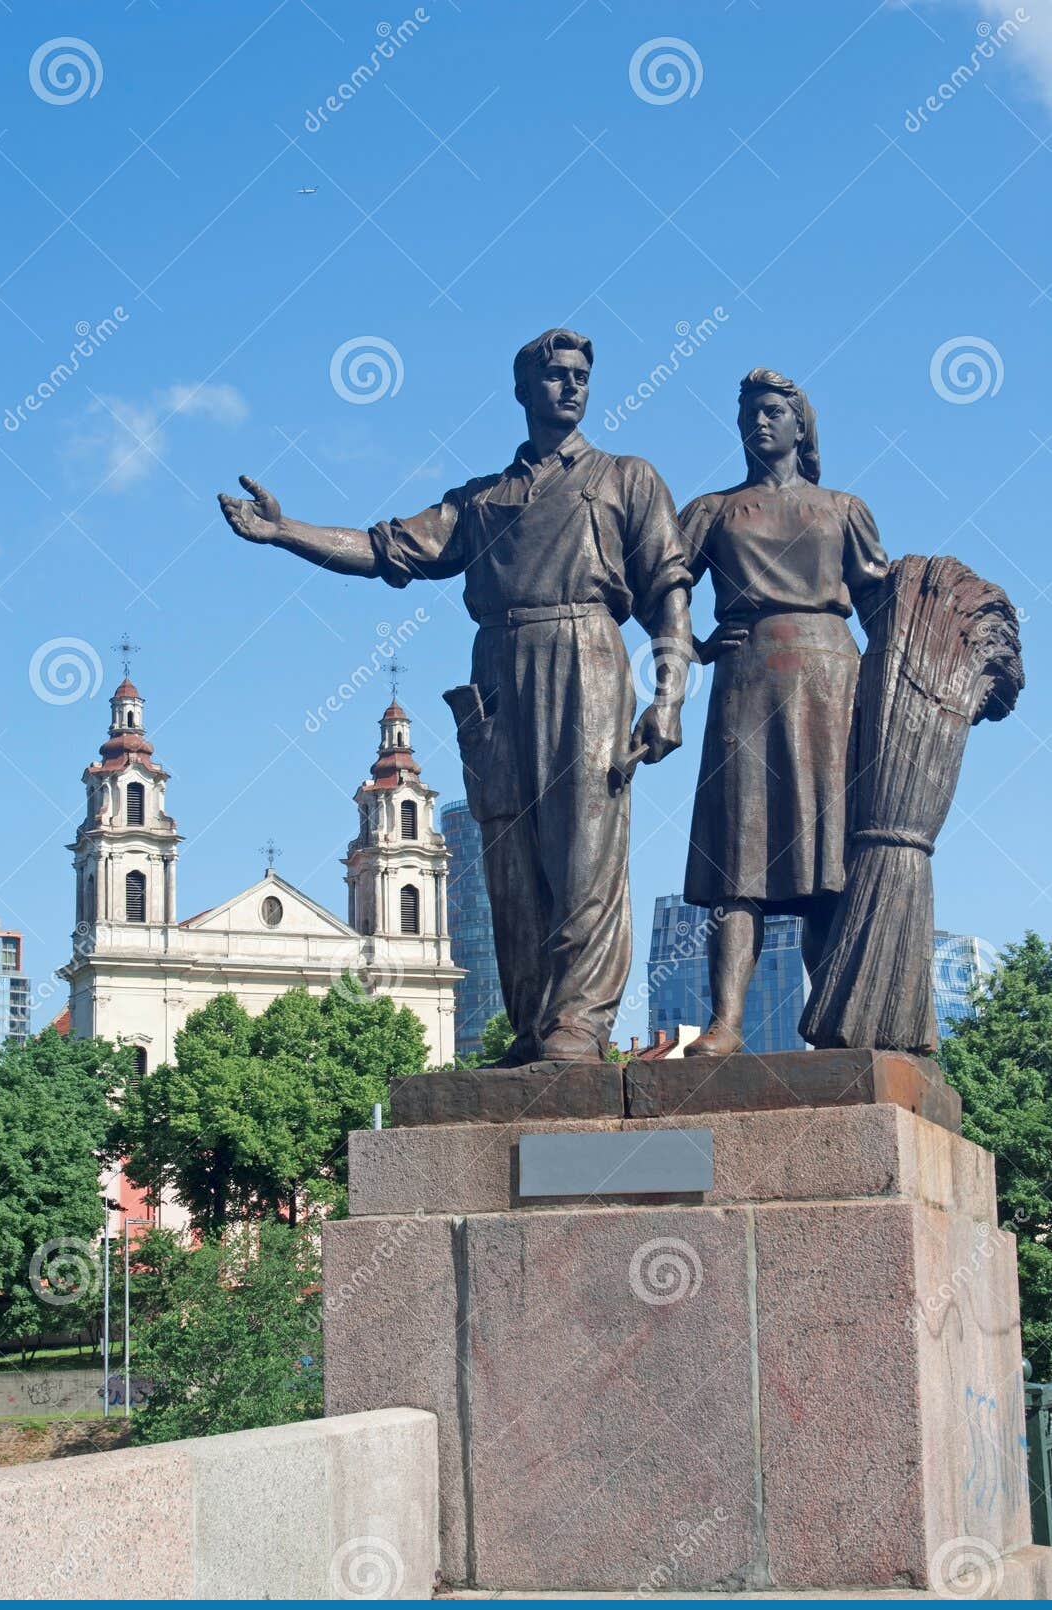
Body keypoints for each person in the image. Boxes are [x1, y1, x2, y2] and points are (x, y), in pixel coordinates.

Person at [219, 328, 710, 1064]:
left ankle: (577, 1023)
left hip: (588, 658)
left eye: (580, 376)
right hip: (498, 669)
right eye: (553, 376)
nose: (570, 387)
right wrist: (285, 530)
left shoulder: (626, 478)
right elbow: (386, 549)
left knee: (586, 848)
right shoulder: (481, 501)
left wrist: (668, 696)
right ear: (521, 391)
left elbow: (668, 594)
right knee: (507, 854)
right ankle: (532, 1022)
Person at [680, 368, 889, 1056]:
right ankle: (725, 1024)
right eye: (748, 414)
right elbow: (653, 584)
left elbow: (881, 610)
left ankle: (831, 1023)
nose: (758, 424)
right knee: (736, 868)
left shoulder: (842, 509)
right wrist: (694, 643)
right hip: (746, 684)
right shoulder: (712, 510)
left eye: (772, 412)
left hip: (832, 682)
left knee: (827, 868)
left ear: (801, 425)